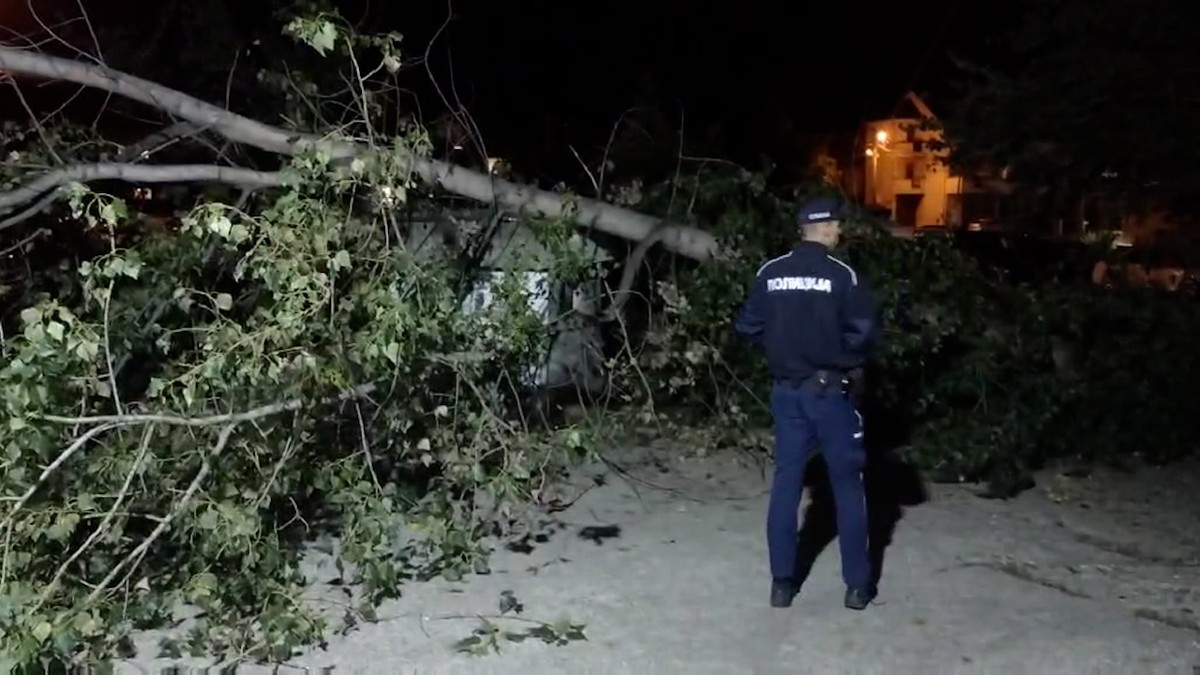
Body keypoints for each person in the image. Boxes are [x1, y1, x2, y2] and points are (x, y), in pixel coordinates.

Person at [733, 196, 880, 610]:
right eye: (837, 225)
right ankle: (857, 586)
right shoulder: (843, 275)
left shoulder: (770, 272)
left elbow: (747, 326)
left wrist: (783, 345)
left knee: (786, 484)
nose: (839, 231)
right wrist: (839, 356)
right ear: (827, 228)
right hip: (831, 393)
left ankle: (782, 584)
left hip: (787, 392)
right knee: (847, 486)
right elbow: (864, 335)